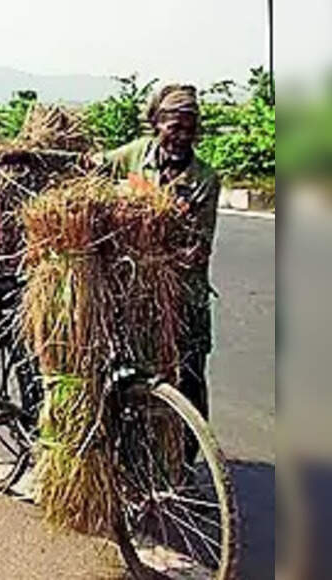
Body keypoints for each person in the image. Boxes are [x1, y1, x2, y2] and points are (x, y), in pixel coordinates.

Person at [96, 84, 219, 420]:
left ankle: (191, 446)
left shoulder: (205, 179)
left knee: (189, 377)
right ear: (157, 123)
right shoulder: (137, 155)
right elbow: (93, 167)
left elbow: (199, 248)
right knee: (120, 370)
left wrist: (169, 244)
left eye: (190, 129)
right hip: (133, 291)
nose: (182, 137)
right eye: (175, 127)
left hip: (183, 295)